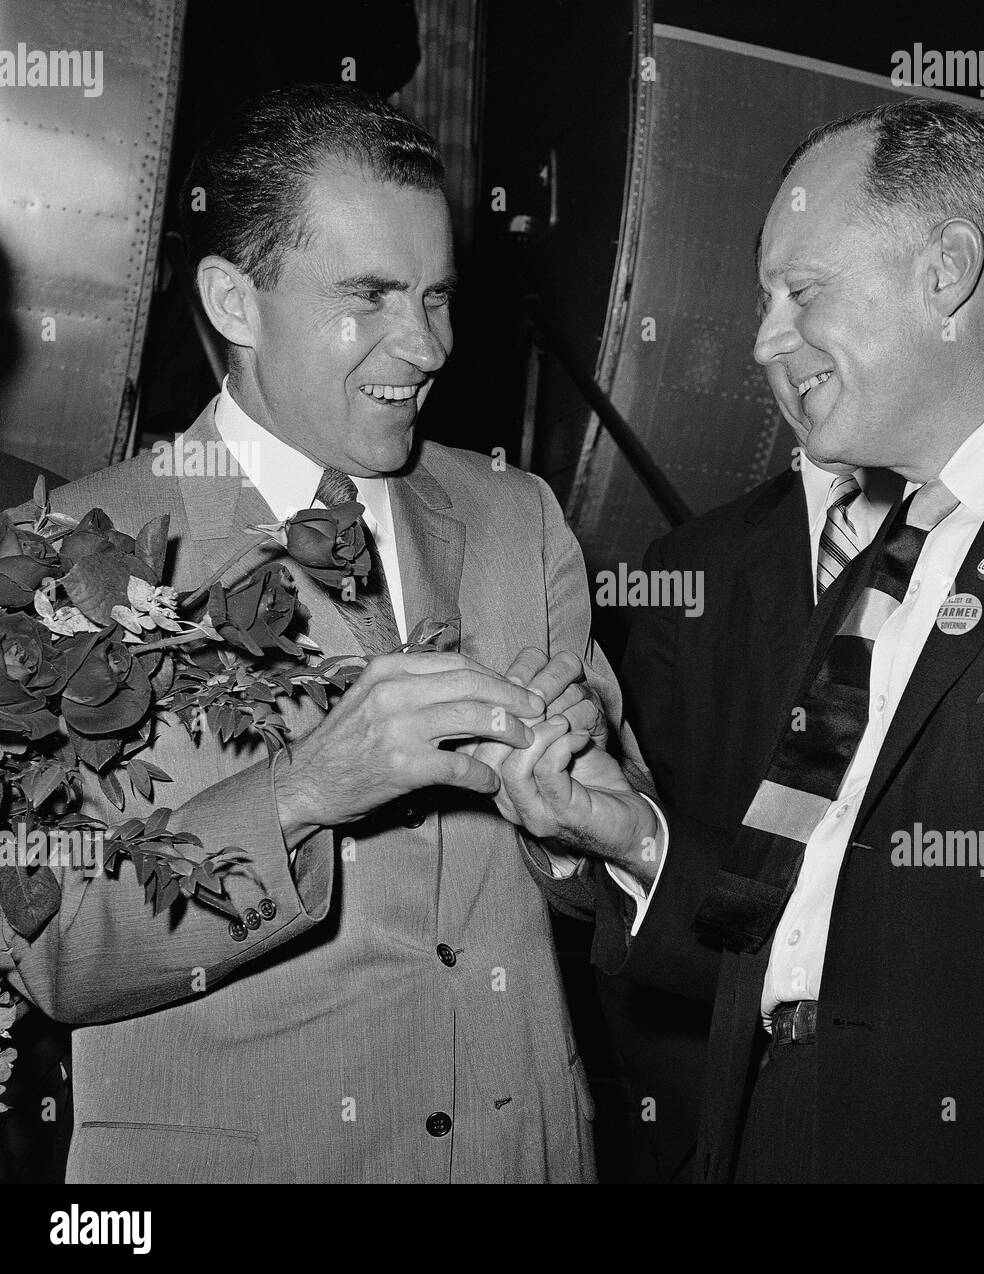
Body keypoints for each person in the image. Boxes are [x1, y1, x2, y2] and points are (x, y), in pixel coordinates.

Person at [485, 97, 984, 1183]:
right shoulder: (874, 574)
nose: (766, 338)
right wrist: (627, 831)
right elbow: (762, 914)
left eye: (801, 291)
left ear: (946, 270)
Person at [0, 83, 628, 1183]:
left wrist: (574, 823)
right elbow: (51, 946)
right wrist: (300, 789)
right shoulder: (60, 555)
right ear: (234, 302)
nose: (424, 345)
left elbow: (610, 873)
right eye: (370, 295)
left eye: (437, 296)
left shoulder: (517, 515)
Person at [602, 439, 895, 1180]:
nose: (785, 345)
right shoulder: (684, 563)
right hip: (733, 1084)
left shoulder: (980, 523)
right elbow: (656, 837)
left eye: (810, 310)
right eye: (770, 314)